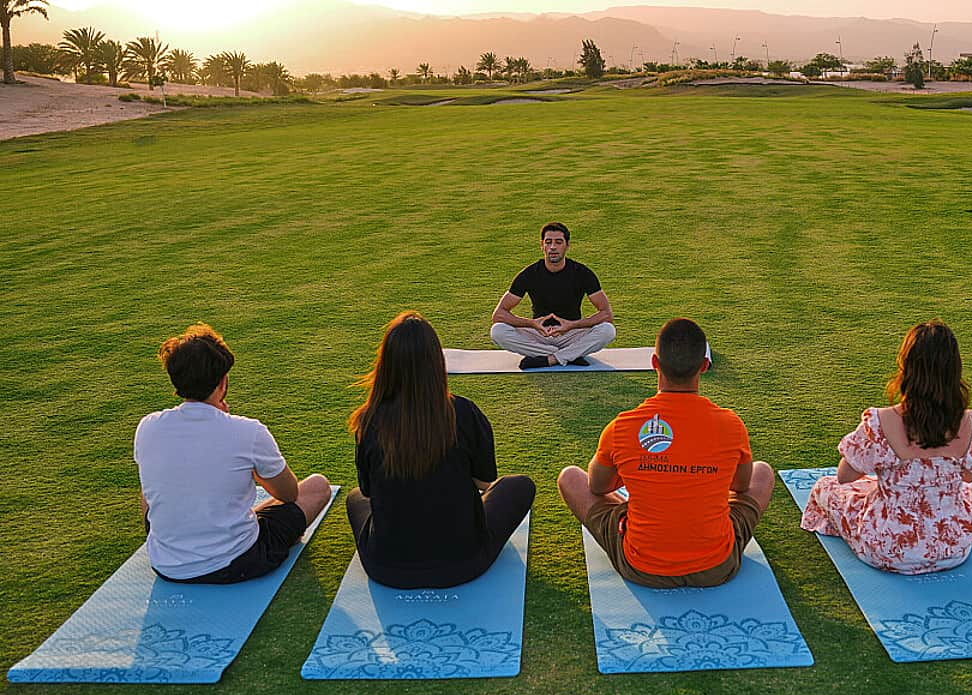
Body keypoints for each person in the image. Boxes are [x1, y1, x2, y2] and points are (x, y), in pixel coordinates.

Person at [558, 317, 774, 588]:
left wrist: (649, 474)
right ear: (704, 366)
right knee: (762, 472)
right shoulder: (731, 425)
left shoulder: (623, 426)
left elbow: (597, 487)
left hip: (641, 567)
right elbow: (741, 487)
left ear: (654, 363)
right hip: (717, 566)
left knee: (570, 477)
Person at [346, 312, 535, 588]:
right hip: (463, 562)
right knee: (518, 486)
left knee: (355, 498)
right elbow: (484, 482)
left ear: (385, 364)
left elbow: (368, 491)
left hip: (387, 565)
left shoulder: (370, 419)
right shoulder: (463, 411)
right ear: (436, 361)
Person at [135, 323, 331, 584]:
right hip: (237, 562)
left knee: (154, 486)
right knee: (317, 486)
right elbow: (288, 494)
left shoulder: (148, 426)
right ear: (223, 382)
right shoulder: (247, 432)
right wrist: (249, 465)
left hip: (167, 564)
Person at [802, 320, 972, 575]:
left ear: (906, 367)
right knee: (968, 490)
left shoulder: (881, 422)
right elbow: (968, 477)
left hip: (887, 549)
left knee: (825, 487)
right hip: (952, 549)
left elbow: (844, 477)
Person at [490, 222, 616, 370]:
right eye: (548, 242)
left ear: (567, 245)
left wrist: (572, 325)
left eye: (558, 242)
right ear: (542, 245)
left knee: (607, 330)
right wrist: (532, 324)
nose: (553, 247)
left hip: (571, 333)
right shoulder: (529, 274)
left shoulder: (582, 273)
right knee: (498, 331)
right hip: (539, 334)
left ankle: (548, 359)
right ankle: (571, 355)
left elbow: (606, 314)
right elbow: (498, 314)